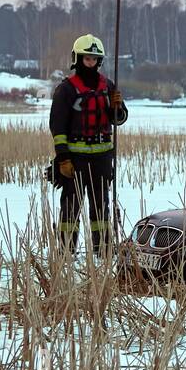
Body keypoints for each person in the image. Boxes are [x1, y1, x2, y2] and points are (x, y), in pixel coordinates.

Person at [49, 34, 128, 254]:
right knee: (70, 207)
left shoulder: (108, 87)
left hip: (102, 159)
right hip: (75, 160)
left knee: (101, 206)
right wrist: (63, 158)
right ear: (78, 59)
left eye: (95, 59)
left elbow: (119, 120)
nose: (91, 63)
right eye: (87, 59)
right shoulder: (65, 89)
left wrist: (117, 108)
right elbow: (57, 127)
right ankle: (66, 250)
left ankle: (103, 249)